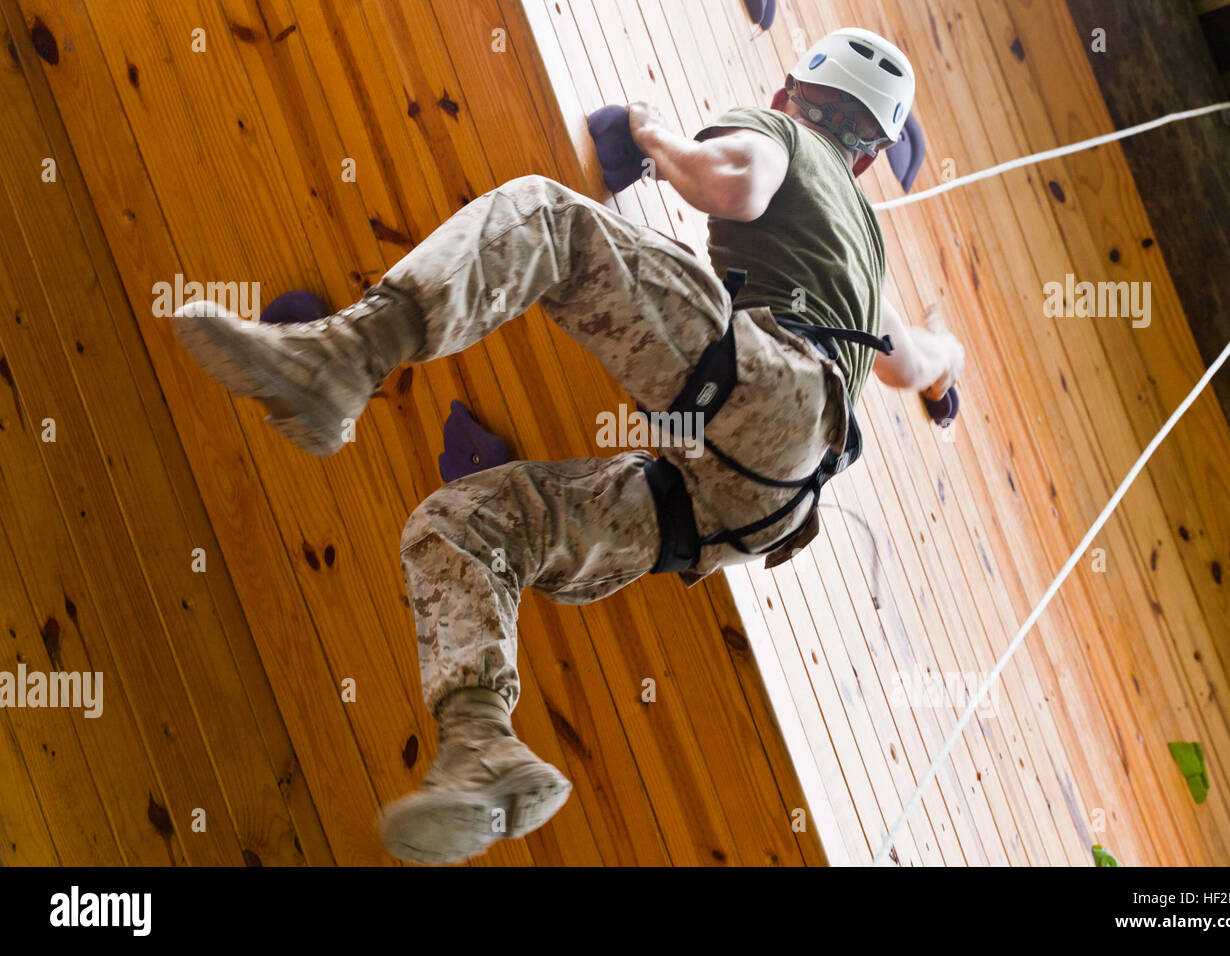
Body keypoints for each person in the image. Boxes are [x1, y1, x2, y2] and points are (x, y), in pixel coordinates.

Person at [172, 27, 965, 864]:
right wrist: (950, 366)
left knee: (548, 218)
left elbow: (736, 183)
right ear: (872, 159)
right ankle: (481, 748)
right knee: (459, 527)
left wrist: (657, 134)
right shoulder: (865, 250)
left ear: (787, 95)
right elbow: (911, 361)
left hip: (764, 393)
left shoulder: (784, 135)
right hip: (757, 510)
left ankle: (343, 358)